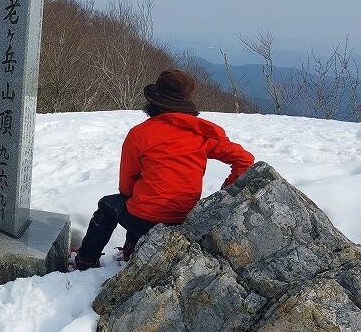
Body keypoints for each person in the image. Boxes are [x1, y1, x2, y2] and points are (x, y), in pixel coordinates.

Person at [74, 69, 254, 270]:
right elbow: (245, 160)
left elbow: (127, 182)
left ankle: (86, 261)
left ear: (153, 102)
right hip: (184, 219)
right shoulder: (202, 133)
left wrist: (136, 202)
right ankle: (133, 250)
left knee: (109, 206)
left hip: (145, 220)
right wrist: (226, 190)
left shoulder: (140, 134)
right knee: (137, 202)